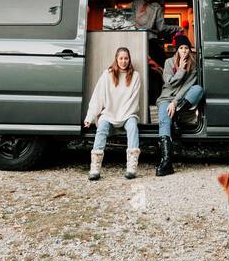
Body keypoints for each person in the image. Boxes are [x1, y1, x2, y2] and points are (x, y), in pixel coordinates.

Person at [83, 47, 143, 181]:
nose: (123, 61)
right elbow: (98, 97)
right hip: (109, 114)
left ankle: (132, 167)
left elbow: (133, 101)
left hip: (127, 114)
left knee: (133, 127)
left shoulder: (135, 76)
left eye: (126, 58)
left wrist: (122, 115)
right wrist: (90, 116)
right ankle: (95, 168)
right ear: (116, 59)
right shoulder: (107, 74)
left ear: (129, 59)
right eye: (121, 58)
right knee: (102, 128)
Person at [154, 35, 203, 177]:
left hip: (180, 100)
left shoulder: (193, 65)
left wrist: (175, 102)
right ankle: (166, 161)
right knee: (164, 121)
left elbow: (187, 87)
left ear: (189, 50)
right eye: (181, 48)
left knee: (198, 89)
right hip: (165, 98)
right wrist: (180, 69)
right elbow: (169, 83)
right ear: (177, 50)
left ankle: (176, 113)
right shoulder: (169, 62)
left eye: (186, 48)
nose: (184, 51)